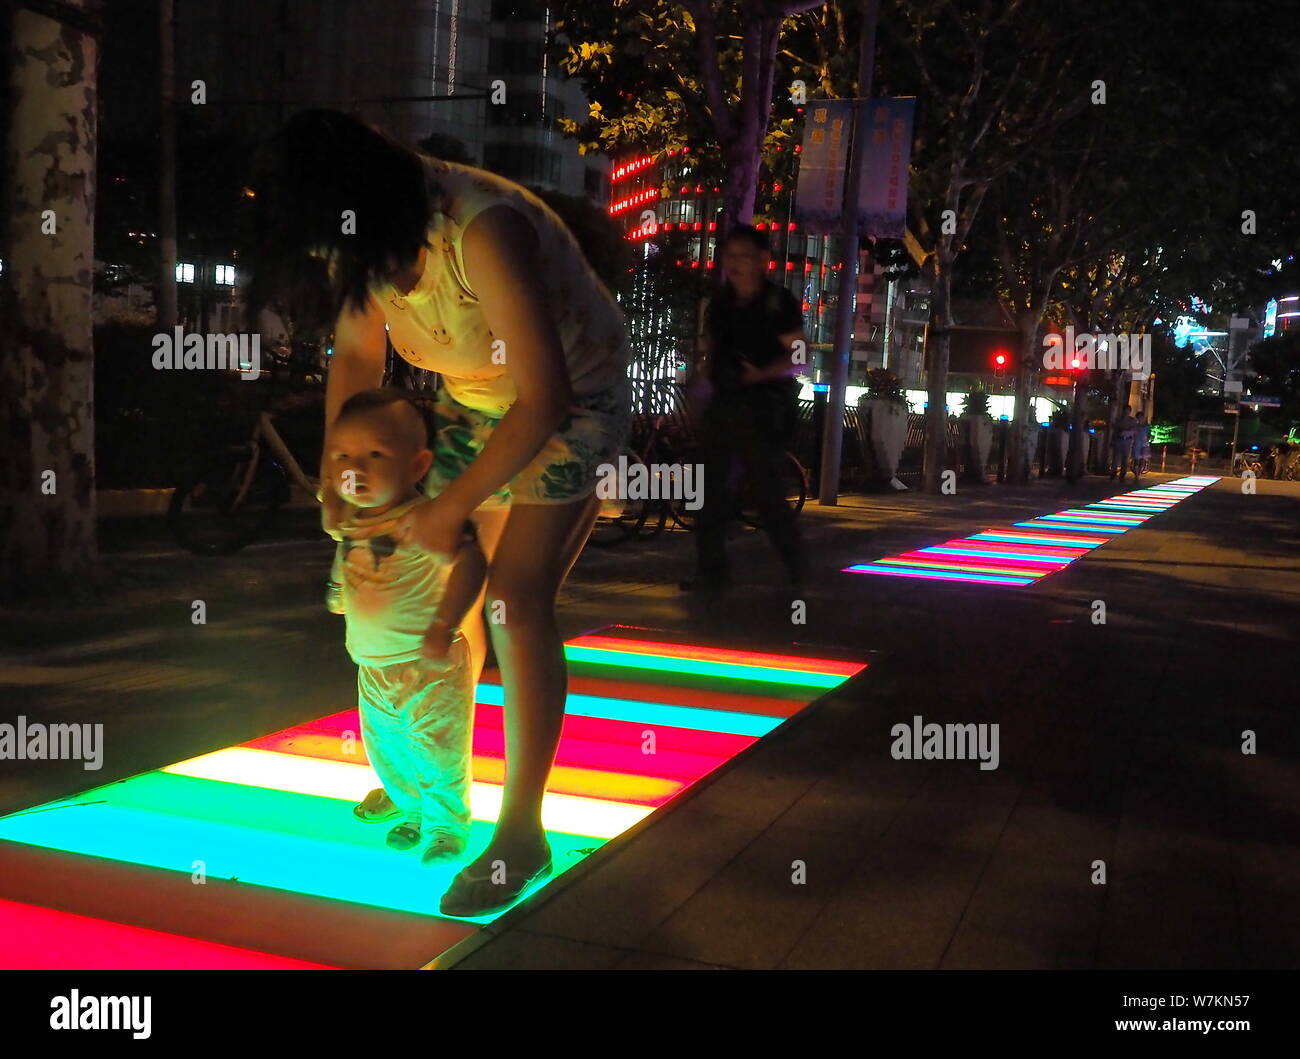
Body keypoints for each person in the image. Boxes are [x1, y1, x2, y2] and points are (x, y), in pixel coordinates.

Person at [246, 109, 630, 917]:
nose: (329, 260)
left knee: (511, 600)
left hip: (573, 403)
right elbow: (356, 354)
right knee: (429, 587)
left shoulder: (480, 230)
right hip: (479, 408)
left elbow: (546, 394)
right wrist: (334, 471)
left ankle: (522, 831)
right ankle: (425, 778)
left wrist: (452, 503)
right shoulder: (366, 242)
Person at [324, 389, 486, 864]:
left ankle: (445, 828)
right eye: (343, 456)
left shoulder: (421, 520)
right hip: (372, 667)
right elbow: (345, 558)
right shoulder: (354, 521)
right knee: (387, 750)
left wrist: (445, 622)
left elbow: (471, 563)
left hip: (428, 664)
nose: (357, 467)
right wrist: (336, 590)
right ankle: (414, 810)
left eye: (375, 454)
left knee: (438, 750)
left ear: (417, 467)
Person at [680, 225, 807, 593]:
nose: (735, 264)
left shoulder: (777, 302)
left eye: (744, 256)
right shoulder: (720, 303)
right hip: (723, 403)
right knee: (708, 492)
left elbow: (798, 355)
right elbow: (712, 352)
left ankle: (794, 566)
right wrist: (700, 391)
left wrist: (760, 374)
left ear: (763, 260)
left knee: (766, 493)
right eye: (730, 256)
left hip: (762, 408)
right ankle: (711, 575)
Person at [1109, 406, 1137, 482]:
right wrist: (1113, 440)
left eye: (1128, 411)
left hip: (1127, 441)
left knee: (1125, 459)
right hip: (1119, 440)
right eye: (1125, 410)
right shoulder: (1118, 420)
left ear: (1130, 411)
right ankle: (1113, 473)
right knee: (1115, 458)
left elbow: (1135, 431)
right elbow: (1115, 431)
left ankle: (1122, 475)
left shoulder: (1132, 421)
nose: (1126, 412)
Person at [1131, 411, 1151, 478]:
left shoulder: (1147, 426)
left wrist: (1147, 441)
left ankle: (1139, 472)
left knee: (1142, 459)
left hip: (1144, 444)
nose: (1140, 419)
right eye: (1138, 418)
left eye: (1141, 417)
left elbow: (1149, 435)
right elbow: (1133, 434)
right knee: (1136, 459)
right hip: (1136, 444)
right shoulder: (1135, 426)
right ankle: (1136, 474)